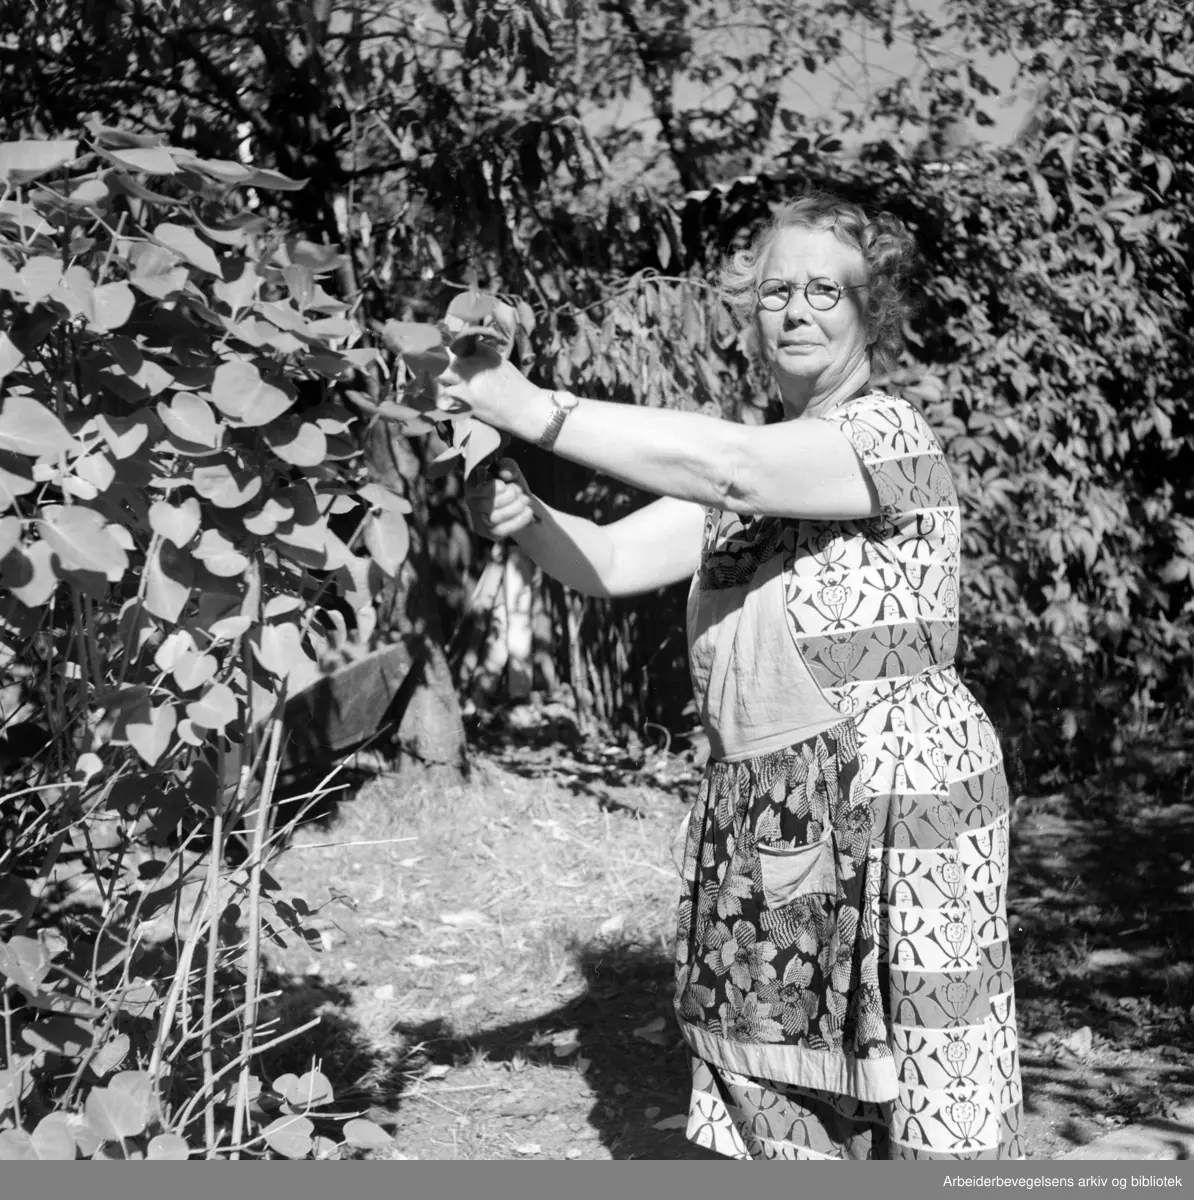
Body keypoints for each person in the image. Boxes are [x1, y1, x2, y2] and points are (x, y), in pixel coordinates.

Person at [438, 191, 1024, 1160]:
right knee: (772, 1077)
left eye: (826, 291)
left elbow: (735, 468)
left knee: (927, 1085)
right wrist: (526, 516)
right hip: (767, 803)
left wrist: (532, 408)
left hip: (900, 804)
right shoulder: (749, 475)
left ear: (873, 309)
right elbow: (610, 560)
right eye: (776, 291)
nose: (796, 311)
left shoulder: (886, 437)